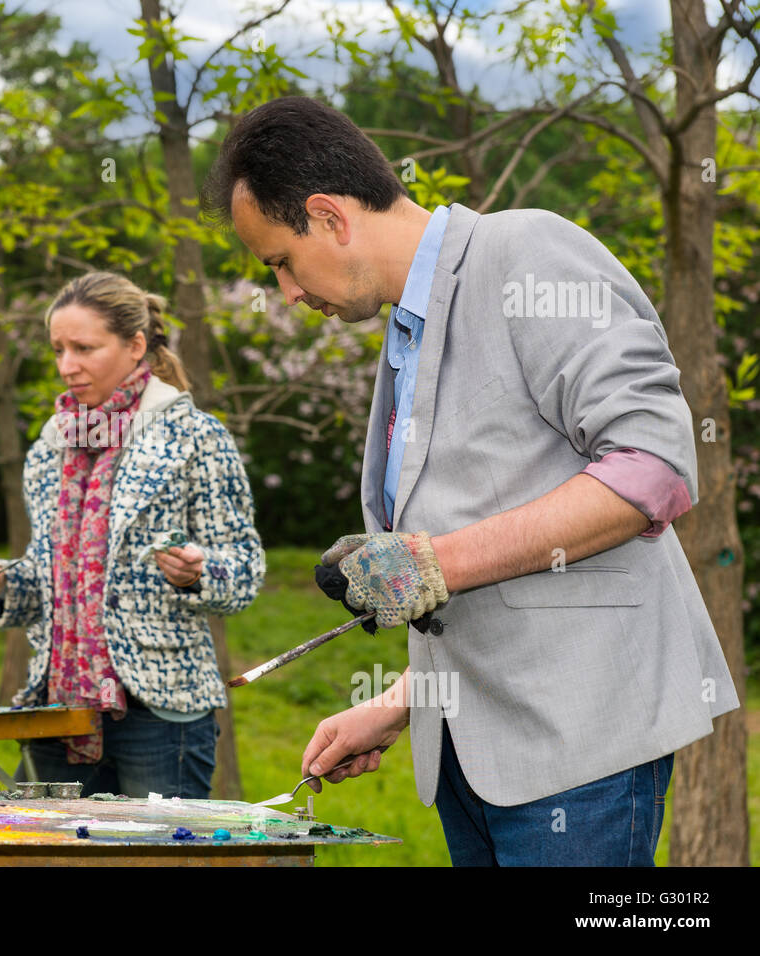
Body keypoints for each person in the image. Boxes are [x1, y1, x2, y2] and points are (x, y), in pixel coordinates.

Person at [201, 95, 739, 865]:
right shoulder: (405, 329)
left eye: (280, 261)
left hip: (580, 756)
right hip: (473, 759)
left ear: (328, 216)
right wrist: (403, 705)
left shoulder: (530, 255)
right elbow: (485, 540)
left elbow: (652, 466)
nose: (286, 291)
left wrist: (431, 563)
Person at [0, 271, 265, 799]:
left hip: (160, 717)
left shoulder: (195, 437)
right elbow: (46, 578)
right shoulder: (48, 448)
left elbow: (245, 569)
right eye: (58, 349)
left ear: (135, 345)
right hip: (60, 712)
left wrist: (199, 571)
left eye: (84, 348)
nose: (66, 366)